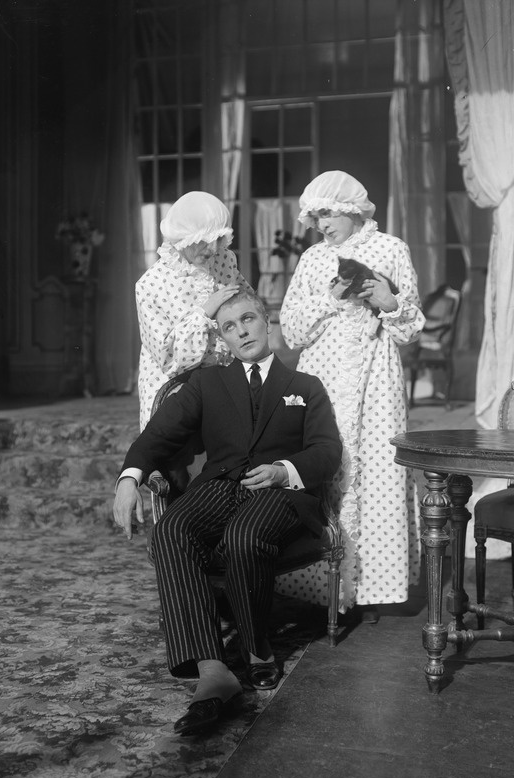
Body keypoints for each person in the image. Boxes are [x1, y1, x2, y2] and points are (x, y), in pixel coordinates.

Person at [113, 288, 342, 736]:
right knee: (170, 530)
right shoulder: (208, 383)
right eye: (230, 328)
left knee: (244, 535)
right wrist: (129, 479)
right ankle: (213, 668)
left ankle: (258, 649)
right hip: (219, 485)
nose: (242, 332)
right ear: (223, 338)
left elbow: (326, 451)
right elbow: (157, 434)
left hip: (280, 493)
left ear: (267, 322)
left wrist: (283, 471)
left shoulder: (305, 386)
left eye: (249, 320)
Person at [278, 170, 425, 622]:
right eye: (316, 216)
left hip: (375, 381)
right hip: (321, 377)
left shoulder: (392, 249)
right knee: (324, 467)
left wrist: (387, 300)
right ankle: (321, 586)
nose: (321, 225)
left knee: (377, 472)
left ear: (352, 210)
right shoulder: (311, 259)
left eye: (328, 214)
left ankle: (374, 586)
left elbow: (410, 329)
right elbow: (291, 330)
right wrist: (330, 297)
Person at [136, 191, 251, 430]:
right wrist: (204, 312)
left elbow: (247, 304)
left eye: (219, 238)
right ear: (183, 238)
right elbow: (171, 359)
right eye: (204, 239)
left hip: (224, 385)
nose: (213, 248)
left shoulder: (224, 260)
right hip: (174, 391)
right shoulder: (150, 285)